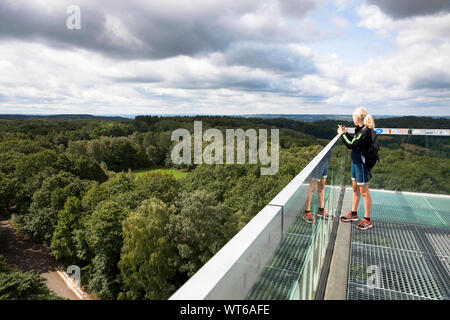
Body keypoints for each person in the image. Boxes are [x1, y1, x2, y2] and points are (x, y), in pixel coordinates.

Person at [338, 107, 375, 230]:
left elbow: (351, 144)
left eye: (353, 117)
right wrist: (346, 133)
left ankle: (367, 220)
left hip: (361, 165)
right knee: (355, 189)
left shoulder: (365, 132)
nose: (352, 119)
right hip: (355, 163)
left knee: (364, 192)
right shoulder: (360, 130)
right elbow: (355, 141)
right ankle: (354, 214)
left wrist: (342, 134)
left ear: (358, 118)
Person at [302, 151, 333, 224]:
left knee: (322, 184)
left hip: (326, 157)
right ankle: (306, 212)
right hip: (320, 158)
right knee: (313, 186)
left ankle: (321, 210)